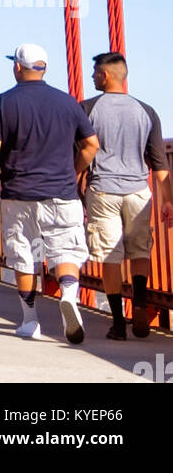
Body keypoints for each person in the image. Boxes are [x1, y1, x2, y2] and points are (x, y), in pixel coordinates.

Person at [0, 43, 99, 344]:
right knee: (66, 249)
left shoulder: (3, 102)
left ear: (17, 67)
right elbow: (91, 144)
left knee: (24, 254)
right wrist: (74, 170)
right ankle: (68, 292)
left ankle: (30, 321)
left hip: (19, 194)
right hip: (62, 193)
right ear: (44, 68)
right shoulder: (68, 103)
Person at [81, 51, 173, 340]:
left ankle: (118, 323)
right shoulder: (147, 111)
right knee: (140, 250)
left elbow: (83, 152)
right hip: (138, 192)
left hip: (103, 190)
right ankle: (141, 305)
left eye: (95, 72)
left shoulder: (87, 109)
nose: (93, 76)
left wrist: (73, 181)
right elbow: (160, 163)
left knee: (110, 254)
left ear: (105, 75)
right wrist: (168, 199)